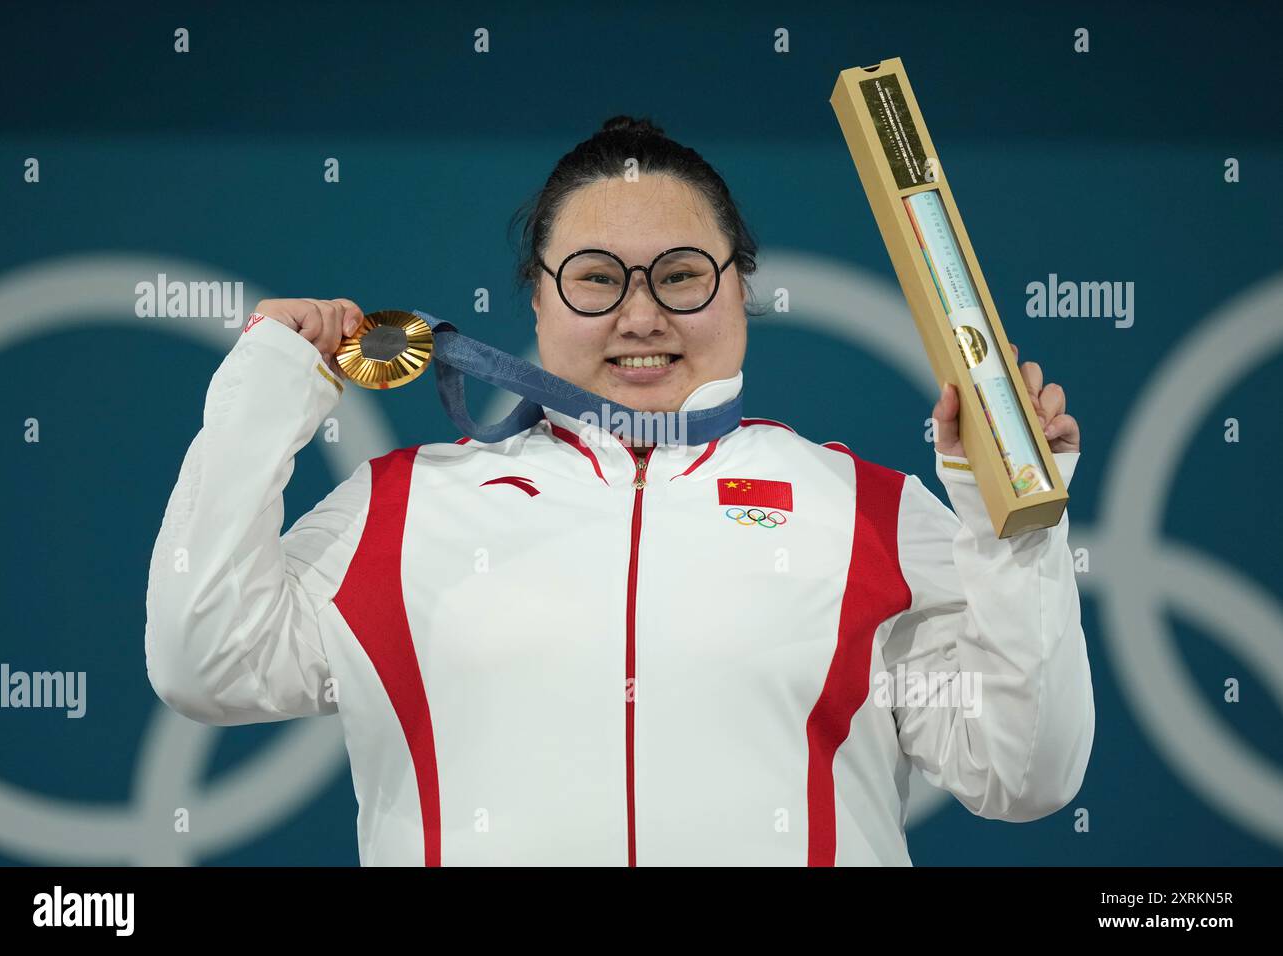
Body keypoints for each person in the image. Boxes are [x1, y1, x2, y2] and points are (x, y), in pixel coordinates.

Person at [145, 115, 1092, 866]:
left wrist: (1013, 530)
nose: (641, 315)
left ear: (739, 287)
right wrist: (265, 392)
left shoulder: (867, 512)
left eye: (681, 276)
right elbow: (202, 660)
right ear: (538, 297)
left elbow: (1026, 770)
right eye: (597, 279)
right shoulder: (401, 508)